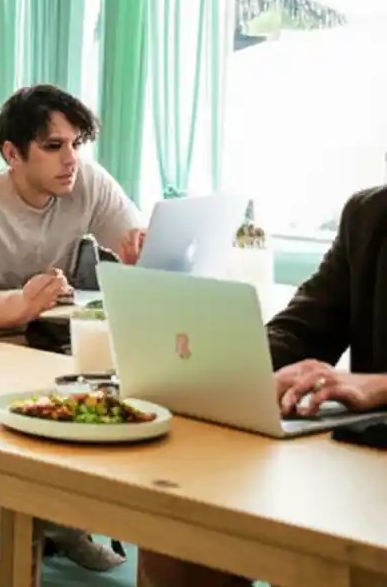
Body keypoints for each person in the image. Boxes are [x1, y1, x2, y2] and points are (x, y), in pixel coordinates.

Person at [0, 84, 143, 572]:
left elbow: (136, 244)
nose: (70, 159)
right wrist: (22, 304)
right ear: (13, 153)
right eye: (54, 147)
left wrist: (145, 253)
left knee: (122, 383)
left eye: (75, 144)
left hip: (50, 341)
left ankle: (72, 514)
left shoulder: (86, 183)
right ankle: (60, 521)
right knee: (65, 389)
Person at [137, 185, 387, 586]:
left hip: (368, 467)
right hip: (358, 457)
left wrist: (379, 385)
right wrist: (231, 364)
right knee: (187, 521)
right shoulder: (369, 213)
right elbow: (301, 328)